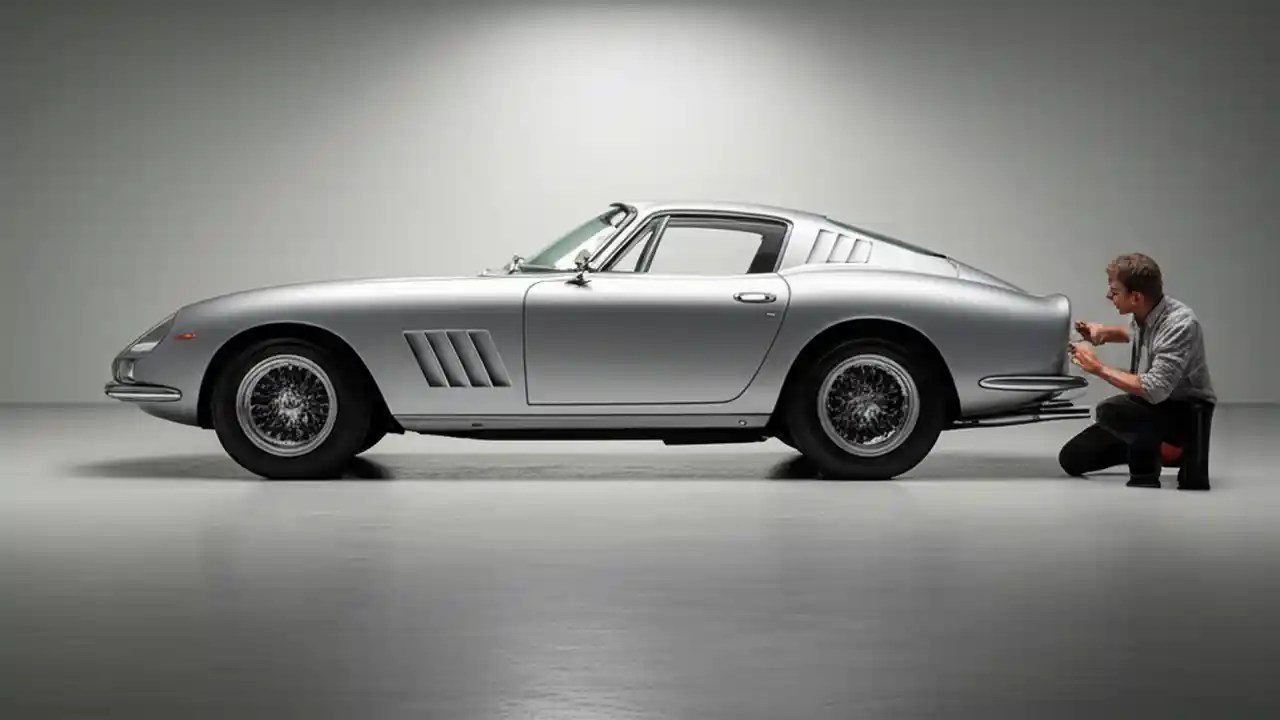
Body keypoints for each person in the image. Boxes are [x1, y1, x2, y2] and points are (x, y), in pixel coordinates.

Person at [1059, 253, 1216, 489]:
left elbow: (1155, 390)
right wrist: (1103, 333)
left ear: (1136, 297)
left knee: (1109, 410)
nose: (1108, 295)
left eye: (1114, 291)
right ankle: (1153, 445)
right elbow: (1137, 334)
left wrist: (1097, 368)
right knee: (1071, 458)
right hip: (1153, 408)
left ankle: (1160, 458)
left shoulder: (1180, 324)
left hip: (1183, 410)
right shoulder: (1146, 312)